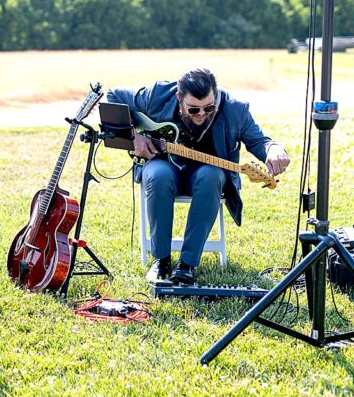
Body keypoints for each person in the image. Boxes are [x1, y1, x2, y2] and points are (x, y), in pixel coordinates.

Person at [107, 68, 290, 285]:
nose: (202, 114)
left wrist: (273, 149)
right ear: (179, 98)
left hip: (206, 174)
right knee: (158, 175)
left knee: (211, 176)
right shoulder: (158, 94)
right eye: (193, 109)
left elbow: (260, 141)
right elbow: (112, 97)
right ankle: (161, 261)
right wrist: (134, 136)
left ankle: (187, 264)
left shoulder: (235, 109)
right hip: (163, 164)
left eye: (209, 107)